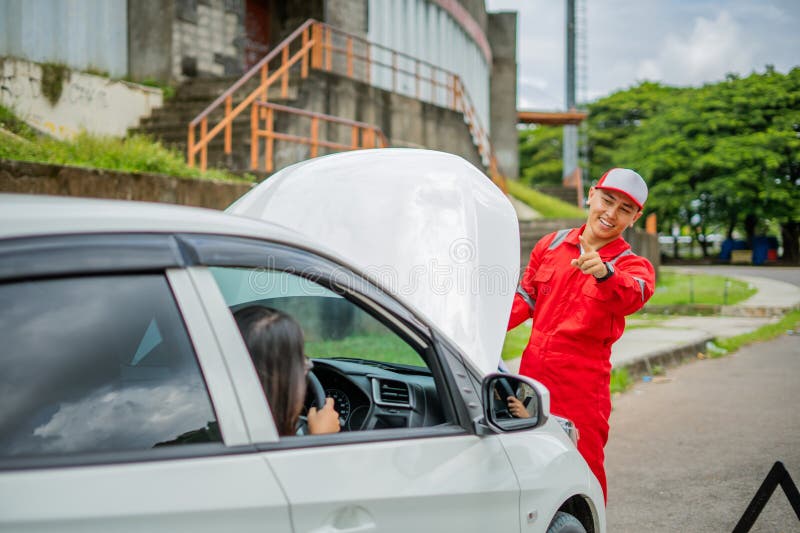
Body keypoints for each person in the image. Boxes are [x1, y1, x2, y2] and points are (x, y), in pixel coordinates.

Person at [507, 168, 656, 503]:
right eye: (607, 200)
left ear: (635, 217)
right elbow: (524, 298)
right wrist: (480, 324)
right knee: (528, 461)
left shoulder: (633, 266)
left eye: (624, 209)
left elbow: (635, 293)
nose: (611, 213)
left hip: (582, 390)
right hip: (532, 377)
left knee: (582, 470)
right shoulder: (551, 244)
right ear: (591, 195)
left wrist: (606, 273)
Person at [234, 305, 340, 436]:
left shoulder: (226, 422)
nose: (307, 368)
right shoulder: (256, 437)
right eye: (299, 361)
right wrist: (321, 437)